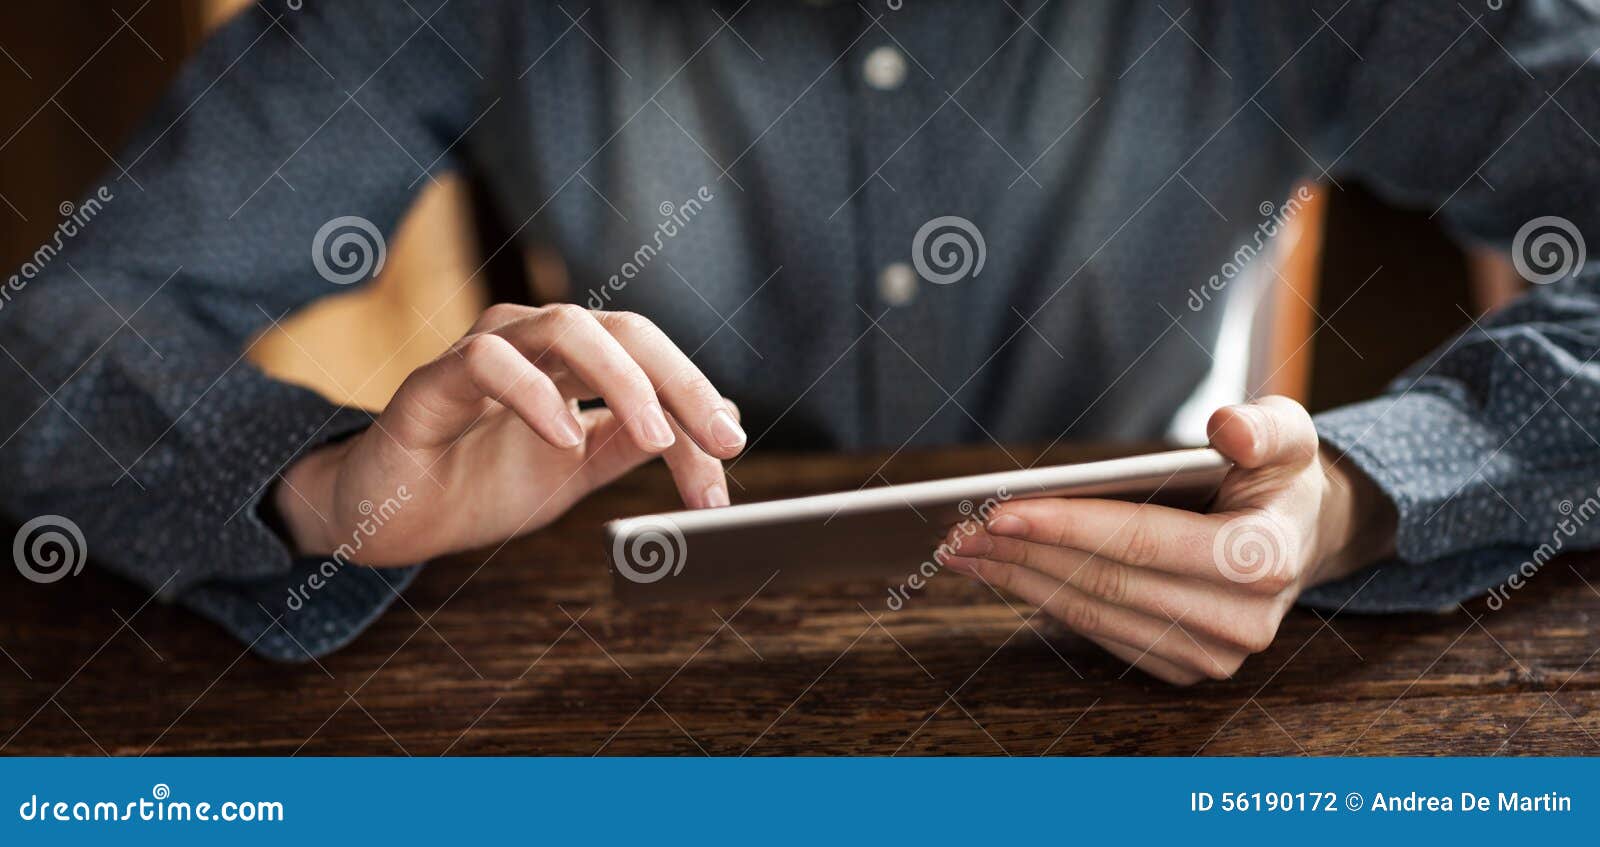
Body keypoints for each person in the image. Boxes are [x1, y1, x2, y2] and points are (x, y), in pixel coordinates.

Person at [2, 1, 1596, 685]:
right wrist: (317, 496)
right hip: (629, 694)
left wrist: (1361, 496)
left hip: (1145, 695)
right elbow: (55, 337)